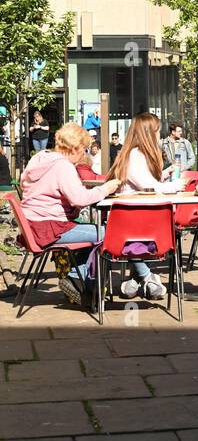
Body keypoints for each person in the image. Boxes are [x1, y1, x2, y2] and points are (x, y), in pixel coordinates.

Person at [18, 123, 120, 307]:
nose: (84, 154)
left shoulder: (40, 157)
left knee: (91, 233)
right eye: (84, 149)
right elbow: (79, 198)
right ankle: (77, 280)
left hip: (33, 226)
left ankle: (81, 285)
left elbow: (24, 181)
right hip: (51, 228)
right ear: (74, 148)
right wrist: (106, 188)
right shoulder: (63, 166)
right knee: (107, 234)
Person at [109, 112, 184, 301]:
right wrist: (175, 186)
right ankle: (149, 278)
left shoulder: (135, 155)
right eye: (157, 131)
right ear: (149, 133)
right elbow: (149, 188)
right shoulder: (136, 156)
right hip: (138, 226)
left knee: (136, 242)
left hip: (132, 224)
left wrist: (165, 175)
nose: (159, 135)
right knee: (142, 239)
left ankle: (134, 282)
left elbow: (146, 183)